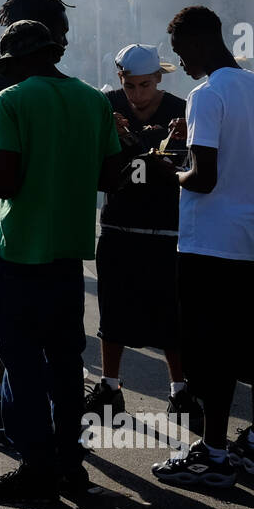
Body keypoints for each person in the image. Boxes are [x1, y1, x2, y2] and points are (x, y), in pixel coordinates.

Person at [0, 20, 125, 504]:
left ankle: (36, 469)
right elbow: (110, 177)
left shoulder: (11, 100)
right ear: (54, 52)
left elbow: (6, 182)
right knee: (65, 364)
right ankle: (69, 465)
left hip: (19, 253)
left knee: (21, 364)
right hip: (68, 256)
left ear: (17, 62)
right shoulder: (93, 100)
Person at [151, 6, 254, 488]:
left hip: (206, 243)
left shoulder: (206, 95)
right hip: (248, 239)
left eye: (181, 51)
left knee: (210, 353)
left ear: (200, 43)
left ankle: (212, 454)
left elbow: (202, 179)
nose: (181, 63)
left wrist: (171, 172)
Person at [0, 0, 68, 449]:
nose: (66, 40)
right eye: (61, 31)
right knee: (11, 319)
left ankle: (33, 414)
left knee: (40, 322)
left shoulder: (64, 86)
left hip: (50, 218)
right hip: (11, 216)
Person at [81, 44, 193, 428]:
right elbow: (93, 168)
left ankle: (180, 391)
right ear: (120, 80)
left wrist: (185, 138)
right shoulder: (106, 106)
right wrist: (105, 133)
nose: (138, 95)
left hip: (167, 228)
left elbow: (198, 167)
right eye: (130, 86)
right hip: (118, 225)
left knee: (172, 315)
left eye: (145, 85)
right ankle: (110, 388)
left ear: (158, 79)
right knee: (112, 313)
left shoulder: (182, 110)